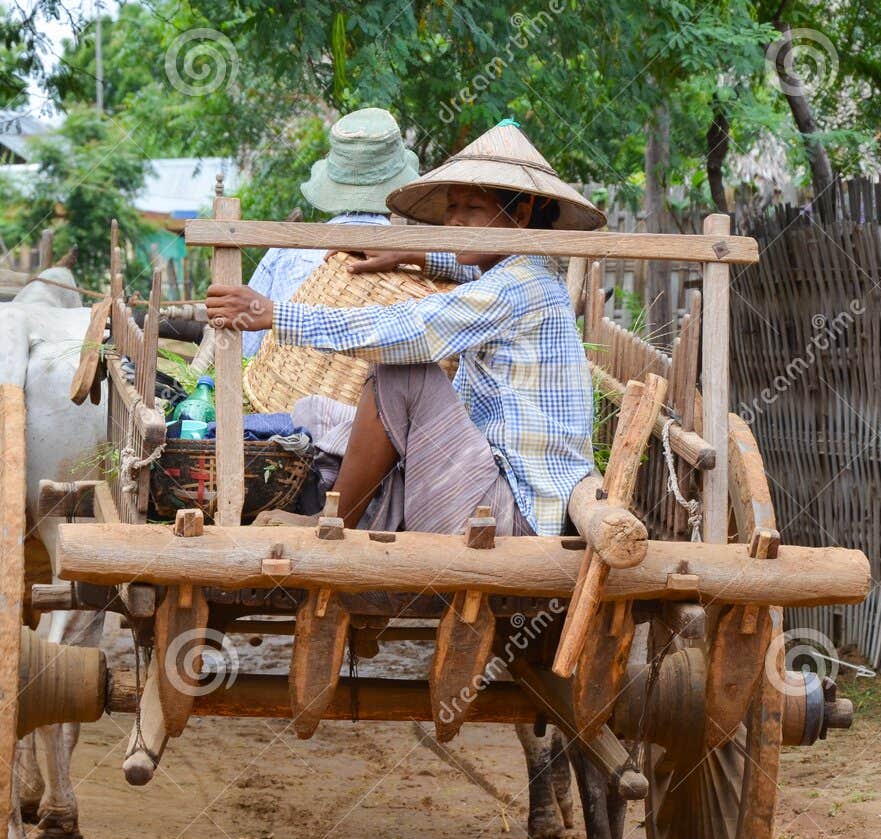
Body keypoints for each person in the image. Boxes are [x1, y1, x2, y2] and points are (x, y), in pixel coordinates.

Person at [207, 120, 601, 538]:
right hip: (505, 494)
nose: (455, 222)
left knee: (402, 372)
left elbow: (409, 329)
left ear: (520, 215)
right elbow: (477, 267)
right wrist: (416, 254)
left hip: (512, 515)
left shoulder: (517, 288)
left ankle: (332, 524)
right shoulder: (529, 273)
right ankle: (343, 516)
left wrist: (277, 315)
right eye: (452, 207)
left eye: (473, 209)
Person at [240, 107, 420, 358]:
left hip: (282, 388)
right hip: (388, 395)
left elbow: (246, 350)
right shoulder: (422, 258)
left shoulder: (287, 251)